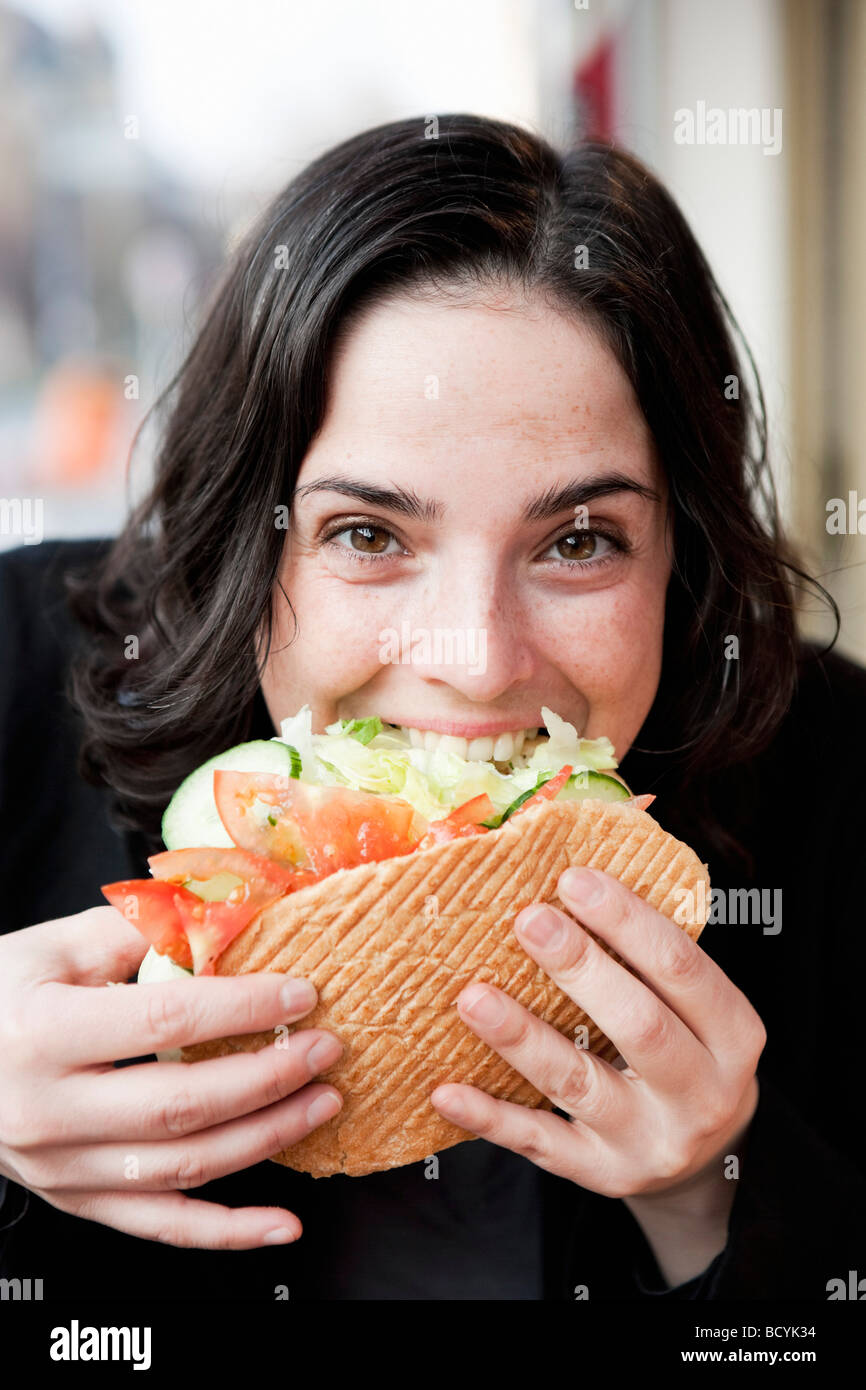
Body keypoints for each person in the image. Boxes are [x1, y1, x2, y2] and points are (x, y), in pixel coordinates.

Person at [1, 114, 864, 1303]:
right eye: (367, 534)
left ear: (686, 555)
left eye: (575, 541)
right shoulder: (13, 674)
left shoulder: (835, 781)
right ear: (246, 543)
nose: (474, 661)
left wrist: (711, 1193)